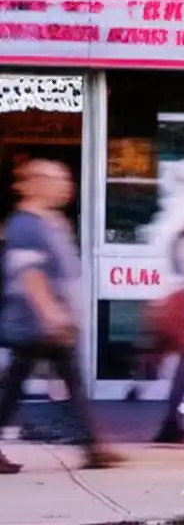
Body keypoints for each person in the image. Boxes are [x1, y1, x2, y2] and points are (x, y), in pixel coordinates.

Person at [0, 160, 121, 473]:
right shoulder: (25, 224)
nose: (65, 186)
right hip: (34, 322)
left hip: (51, 321)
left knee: (65, 382)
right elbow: (29, 274)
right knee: (15, 388)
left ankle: (93, 447)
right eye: (56, 180)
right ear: (34, 183)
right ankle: (93, 447)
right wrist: (51, 314)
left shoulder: (51, 222)